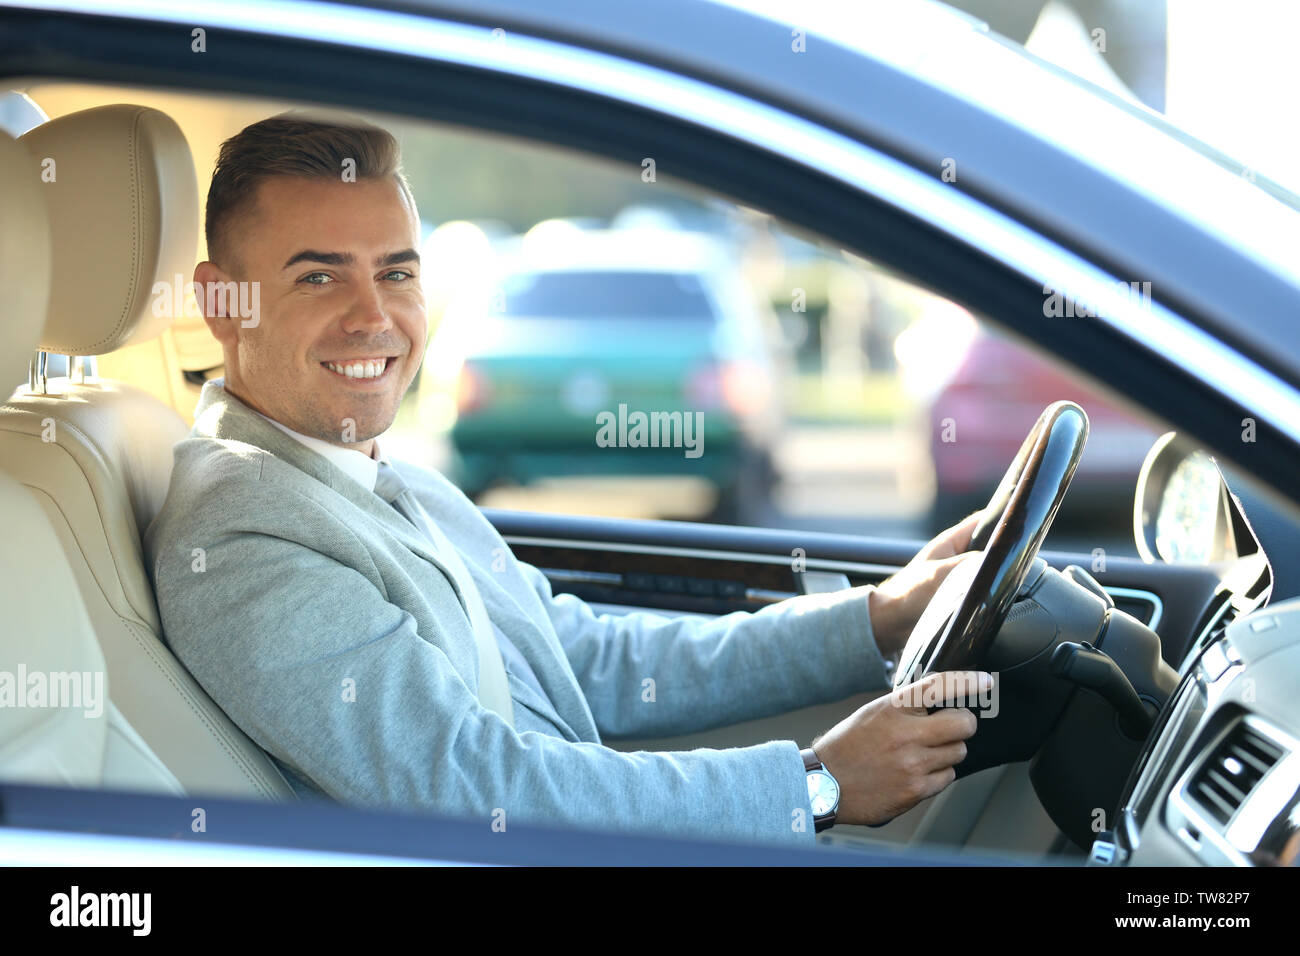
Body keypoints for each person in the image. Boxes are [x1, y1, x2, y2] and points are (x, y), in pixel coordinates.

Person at [145, 114, 988, 847]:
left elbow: (585, 659)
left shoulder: (390, 480)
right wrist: (815, 785)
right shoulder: (243, 530)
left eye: (396, 272)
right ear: (225, 306)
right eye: (319, 276)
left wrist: (879, 616)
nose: (374, 315)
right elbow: (479, 795)